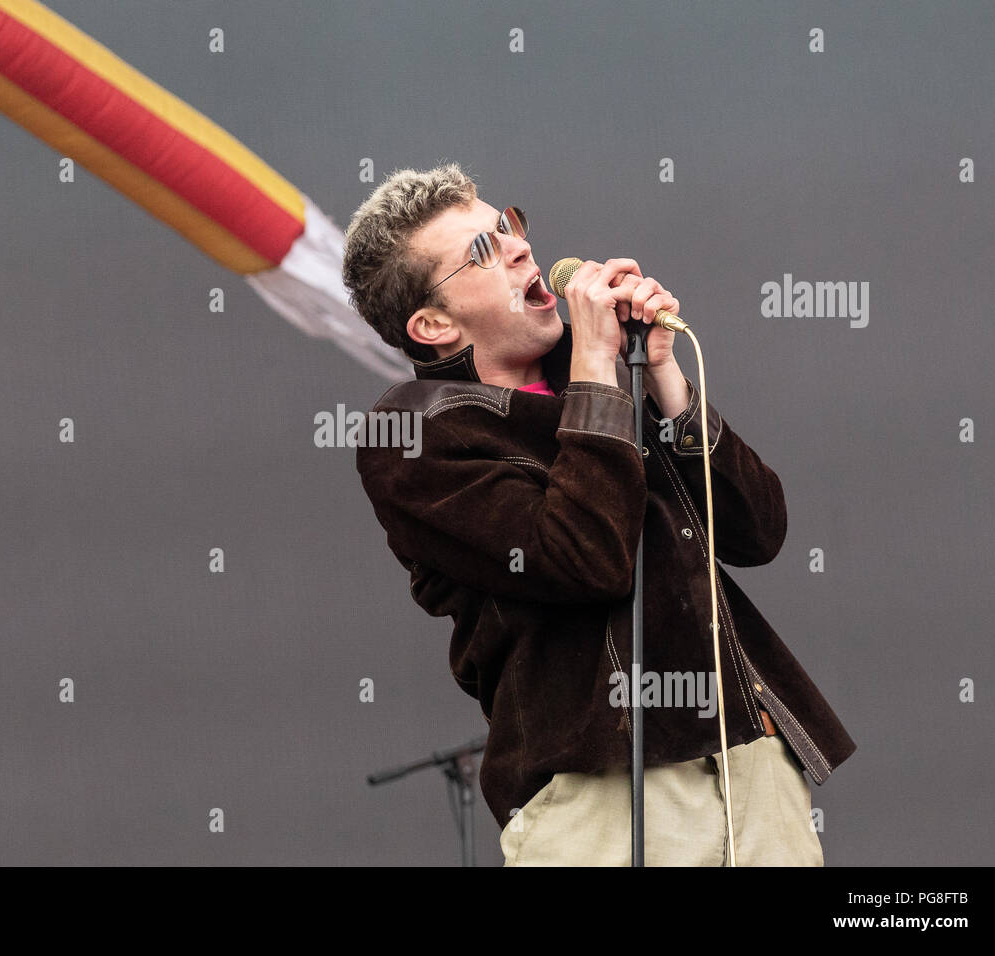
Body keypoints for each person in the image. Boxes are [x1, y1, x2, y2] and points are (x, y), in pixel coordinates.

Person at [342, 163, 856, 866]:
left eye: (509, 227)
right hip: (603, 790)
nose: (519, 248)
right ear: (432, 323)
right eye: (484, 252)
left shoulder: (602, 383)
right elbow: (586, 559)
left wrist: (665, 380)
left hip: (749, 761)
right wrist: (594, 366)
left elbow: (759, 532)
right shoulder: (418, 435)